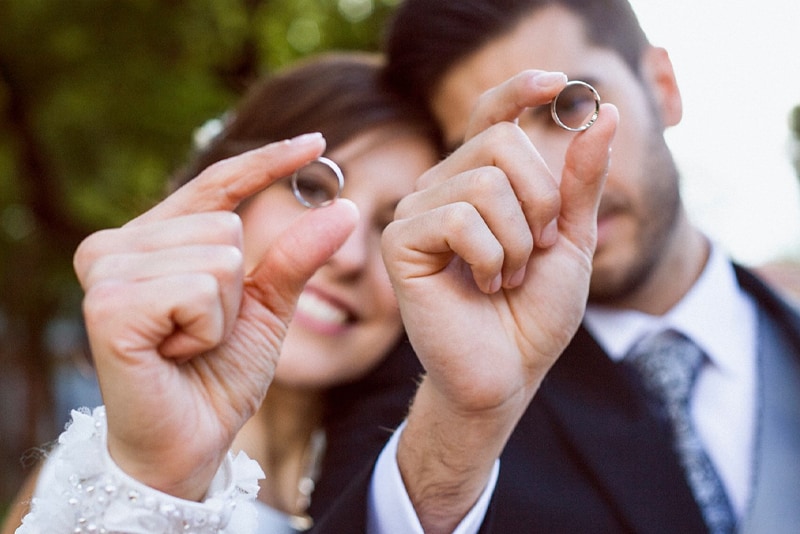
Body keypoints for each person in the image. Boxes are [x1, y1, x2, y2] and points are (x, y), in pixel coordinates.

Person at [311, 1, 800, 533]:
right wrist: (462, 427)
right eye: (486, 152)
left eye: (571, 107)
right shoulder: (422, 393)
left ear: (663, 87)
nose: (541, 182)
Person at [4, 52, 440, 533]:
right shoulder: (107, 476)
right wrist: (155, 477)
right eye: (313, 189)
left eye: (395, 226)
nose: (348, 255)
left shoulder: (414, 499)